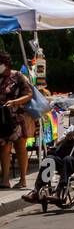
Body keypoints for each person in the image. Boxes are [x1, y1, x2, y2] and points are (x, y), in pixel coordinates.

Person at [23, 103, 74, 203]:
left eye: (73, 115)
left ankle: (59, 192)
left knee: (68, 159)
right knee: (49, 159)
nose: (70, 117)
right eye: (70, 114)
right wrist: (66, 138)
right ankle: (36, 191)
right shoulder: (71, 128)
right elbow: (57, 143)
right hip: (65, 157)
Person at [0, 51, 34, 189]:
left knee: (20, 147)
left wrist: (14, 102)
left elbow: (29, 94)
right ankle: (5, 180)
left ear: (5, 64)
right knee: (3, 147)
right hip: (2, 119)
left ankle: (23, 179)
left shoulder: (18, 76)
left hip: (17, 119)